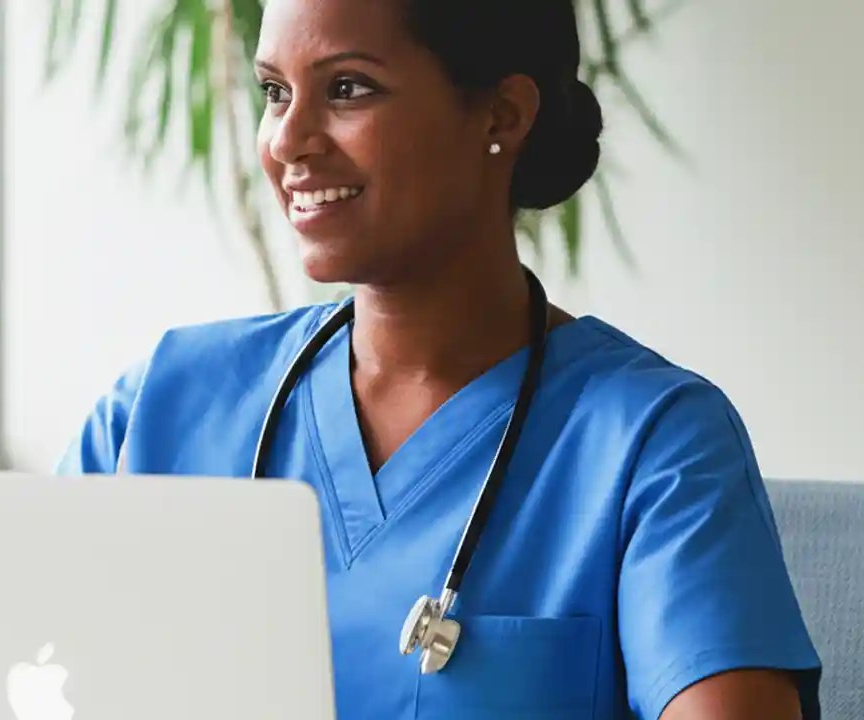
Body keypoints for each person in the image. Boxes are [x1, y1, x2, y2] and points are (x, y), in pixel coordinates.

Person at [59, 0, 822, 717]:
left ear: (503, 113)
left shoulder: (651, 444)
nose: (288, 141)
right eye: (273, 92)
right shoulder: (158, 406)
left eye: (348, 89)